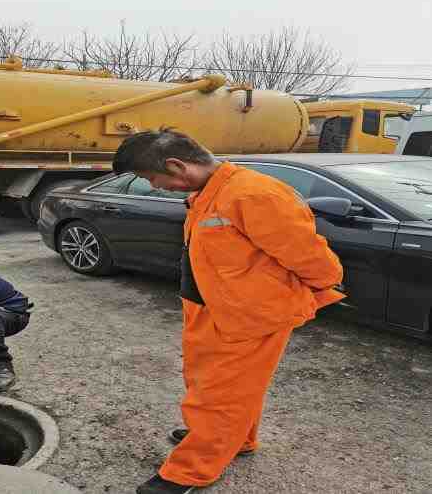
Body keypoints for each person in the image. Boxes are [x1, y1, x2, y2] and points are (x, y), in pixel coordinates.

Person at [113, 129, 345, 494]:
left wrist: (321, 286)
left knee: (220, 396)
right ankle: (236, 439)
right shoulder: (207, 192)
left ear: (176, 166)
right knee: (215, 385)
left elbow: (312, 258)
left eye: (149, 178)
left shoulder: (254, 194)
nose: (154, 186)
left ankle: (190, 471)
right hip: (211, 309)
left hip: (250, 317)